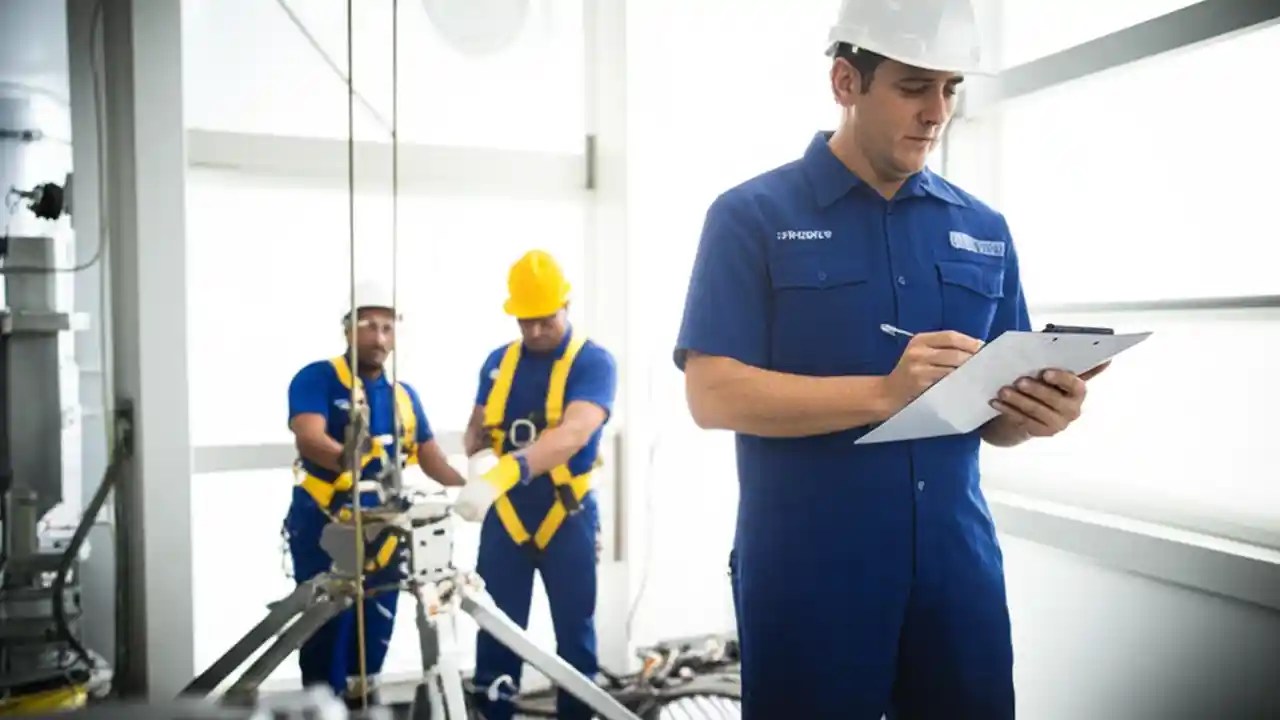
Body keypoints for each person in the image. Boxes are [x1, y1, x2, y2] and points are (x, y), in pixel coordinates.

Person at [673, 1, 1109, 717]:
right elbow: (711, 394)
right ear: (846, 81)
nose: (937, 111)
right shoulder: (752, 216)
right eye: (913, 87)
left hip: (956, 572)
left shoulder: (984, 229)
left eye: (950, 89)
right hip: (810, 575)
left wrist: (1038, 413)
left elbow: (994, 418)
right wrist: (884, 392)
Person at [283, 280, 465, 707]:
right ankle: (322, 710)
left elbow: (431, 456)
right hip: (327, 530)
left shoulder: (403, 396)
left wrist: (474, 490)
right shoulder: (318, 379)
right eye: (368, 326)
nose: (378, 338)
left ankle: (363, 706)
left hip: (385, 536)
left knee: (373, 639)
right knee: (328, 635)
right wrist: (352, 458)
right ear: (347, 329)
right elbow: (309, 438)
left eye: (387, 328)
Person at [453, 249, 617, 720]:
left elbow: (573, 434)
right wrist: (481, 459)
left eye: (544, 320)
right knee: (498, 629)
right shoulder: (498, 363)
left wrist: (505, 471)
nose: (535, 332)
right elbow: (477, 428)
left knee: (574, 632)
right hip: (505, 518)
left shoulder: (593, 362)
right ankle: (494, 712)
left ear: (566, 306)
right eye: (526, 322)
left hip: (567, 515)